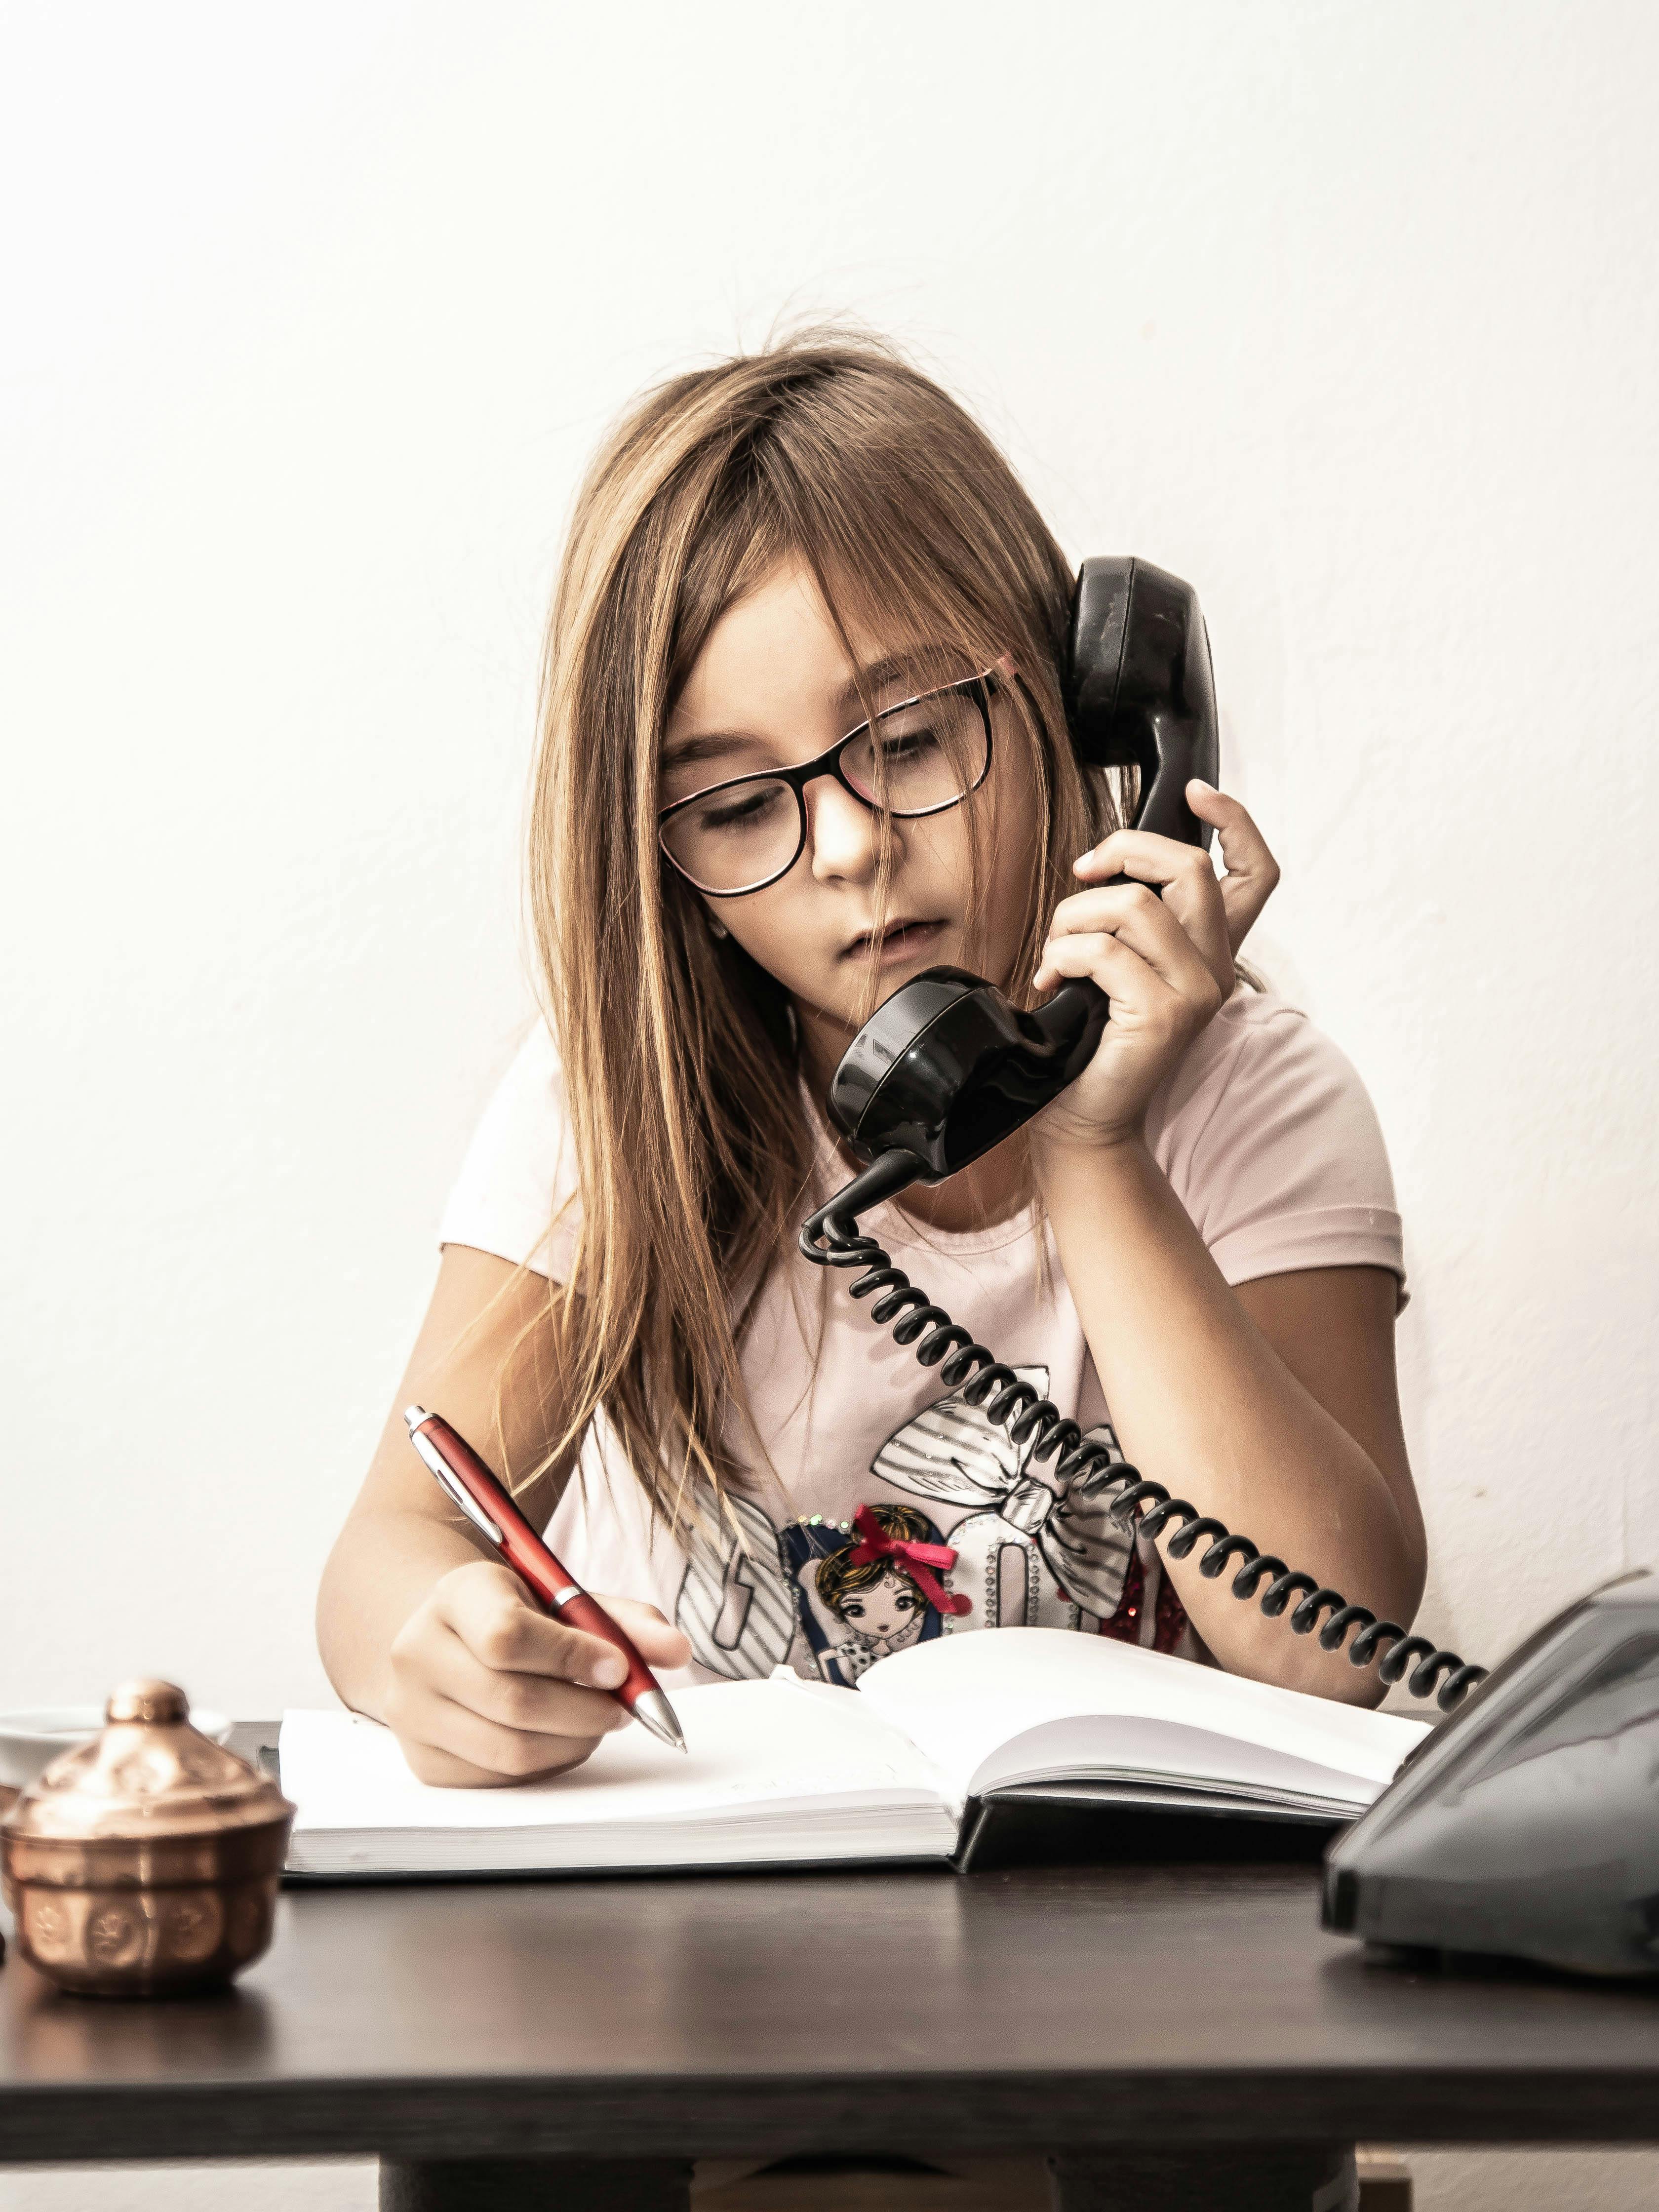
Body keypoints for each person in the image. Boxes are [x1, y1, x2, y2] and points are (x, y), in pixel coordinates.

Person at [317, 334, 1426, 1786]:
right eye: (731, 809)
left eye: (906, 741)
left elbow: (1331, 1642)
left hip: (1122, 1934)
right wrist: (440, 1647)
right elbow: (385, 1556)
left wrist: (1091, 1143)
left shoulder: (1259, 1103)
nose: (850, 849)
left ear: (1077, 706)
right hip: (717, 1939)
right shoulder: (609, 1115)